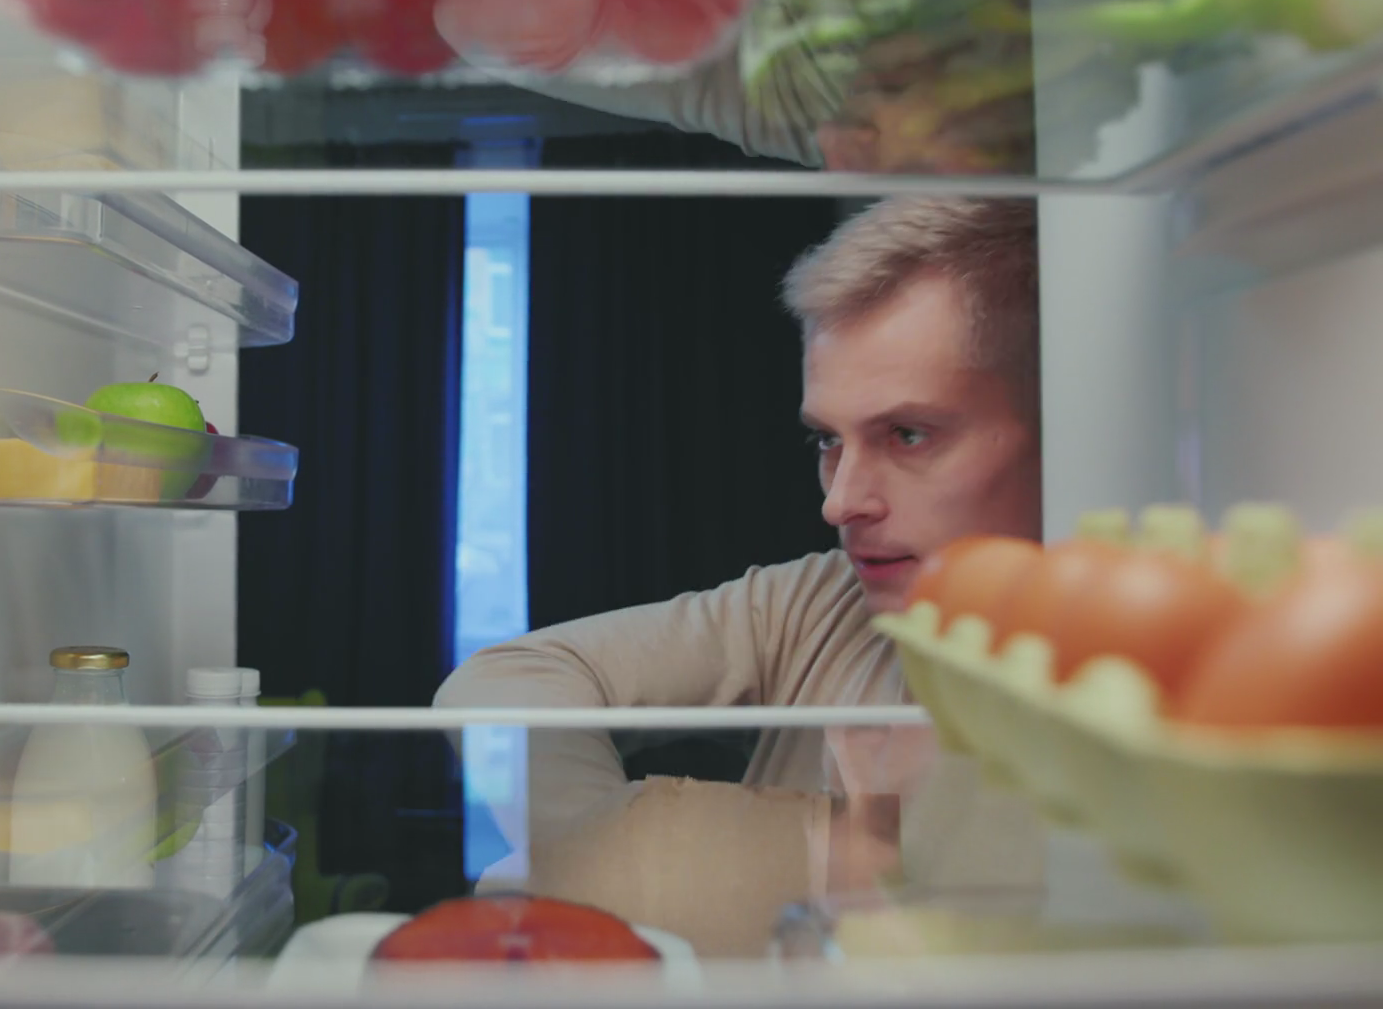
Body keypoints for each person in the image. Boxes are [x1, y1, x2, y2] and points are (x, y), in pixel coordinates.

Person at [435, 197, 1047, 941]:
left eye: (909, 435)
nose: (841, 502)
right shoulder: (826, 599)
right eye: (827, 441)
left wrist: (655, 866)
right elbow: (501, 680)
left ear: (1058, 420)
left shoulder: (1129, 693)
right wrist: (606, 853)